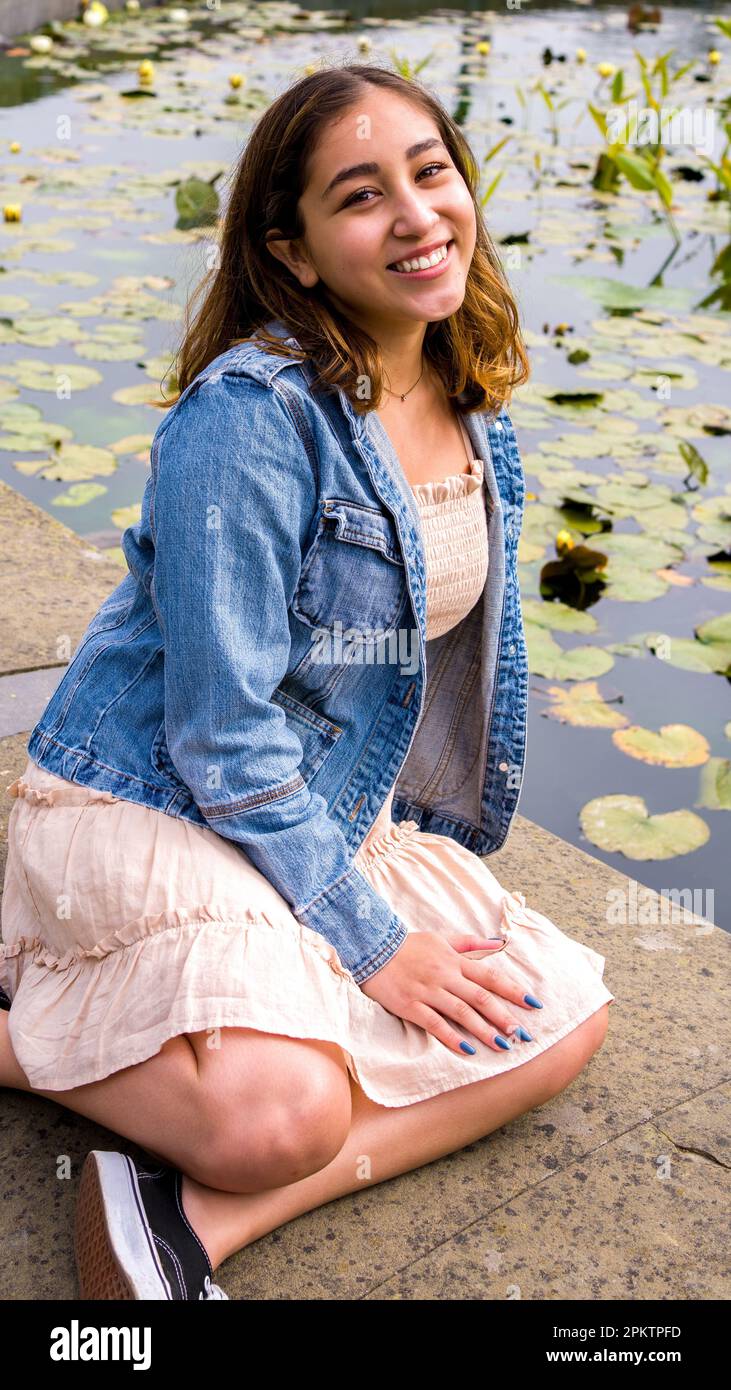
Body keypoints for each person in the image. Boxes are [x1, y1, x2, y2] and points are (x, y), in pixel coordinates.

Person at [0, 63, 613, 1301]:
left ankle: (187, 1219)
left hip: (328, 801)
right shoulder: (249, 414)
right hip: (156, 797)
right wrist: (372, 944)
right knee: (281, 1110)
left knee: (558, 1016)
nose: (415, 215)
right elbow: (220, 734)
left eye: (429, 172)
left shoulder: (470, 391)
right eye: (360, 195)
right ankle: (24, 1029)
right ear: (290, 248)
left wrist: (393, 889)